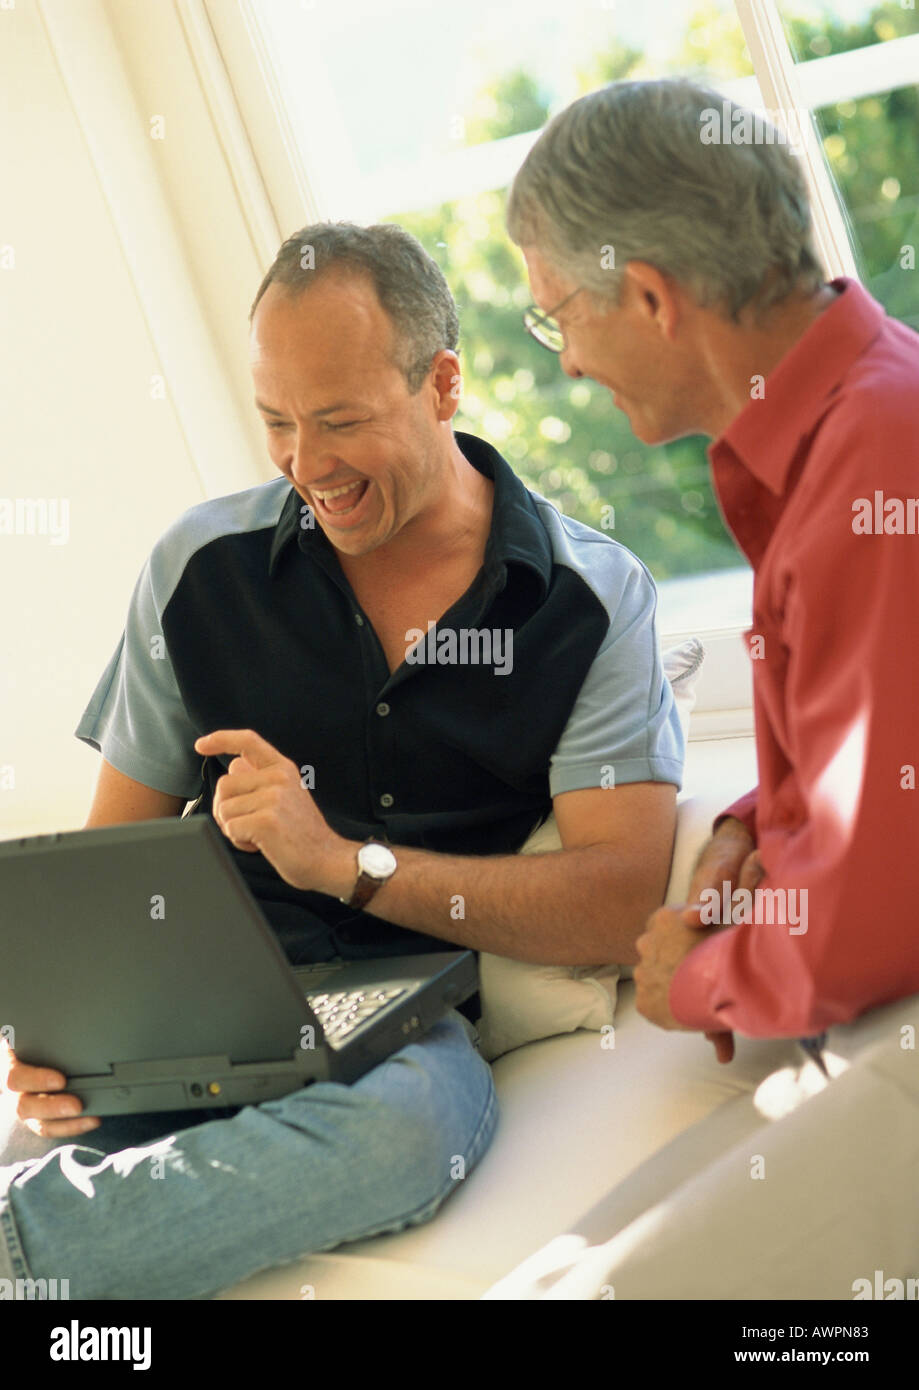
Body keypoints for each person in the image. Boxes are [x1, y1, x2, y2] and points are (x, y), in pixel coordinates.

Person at [0, 222, 682, 1299]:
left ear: (442, 383)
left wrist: (344, 864)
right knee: (31, 1143)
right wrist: (76, 1039)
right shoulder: (199, 568)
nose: (305, 464)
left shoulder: (587, 601)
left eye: (341, 421)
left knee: (408, 1134)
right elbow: (108, 867)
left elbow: (615, 904)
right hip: (198, 1013)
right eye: (276, 421)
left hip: (394, 1033)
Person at [490, 75, 919, 1298]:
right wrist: (748, 828)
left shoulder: (875, 458)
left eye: (555, 317)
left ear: (649, 296)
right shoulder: (846, 426)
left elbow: (870, 922)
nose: (566, 362)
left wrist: (691, 974)